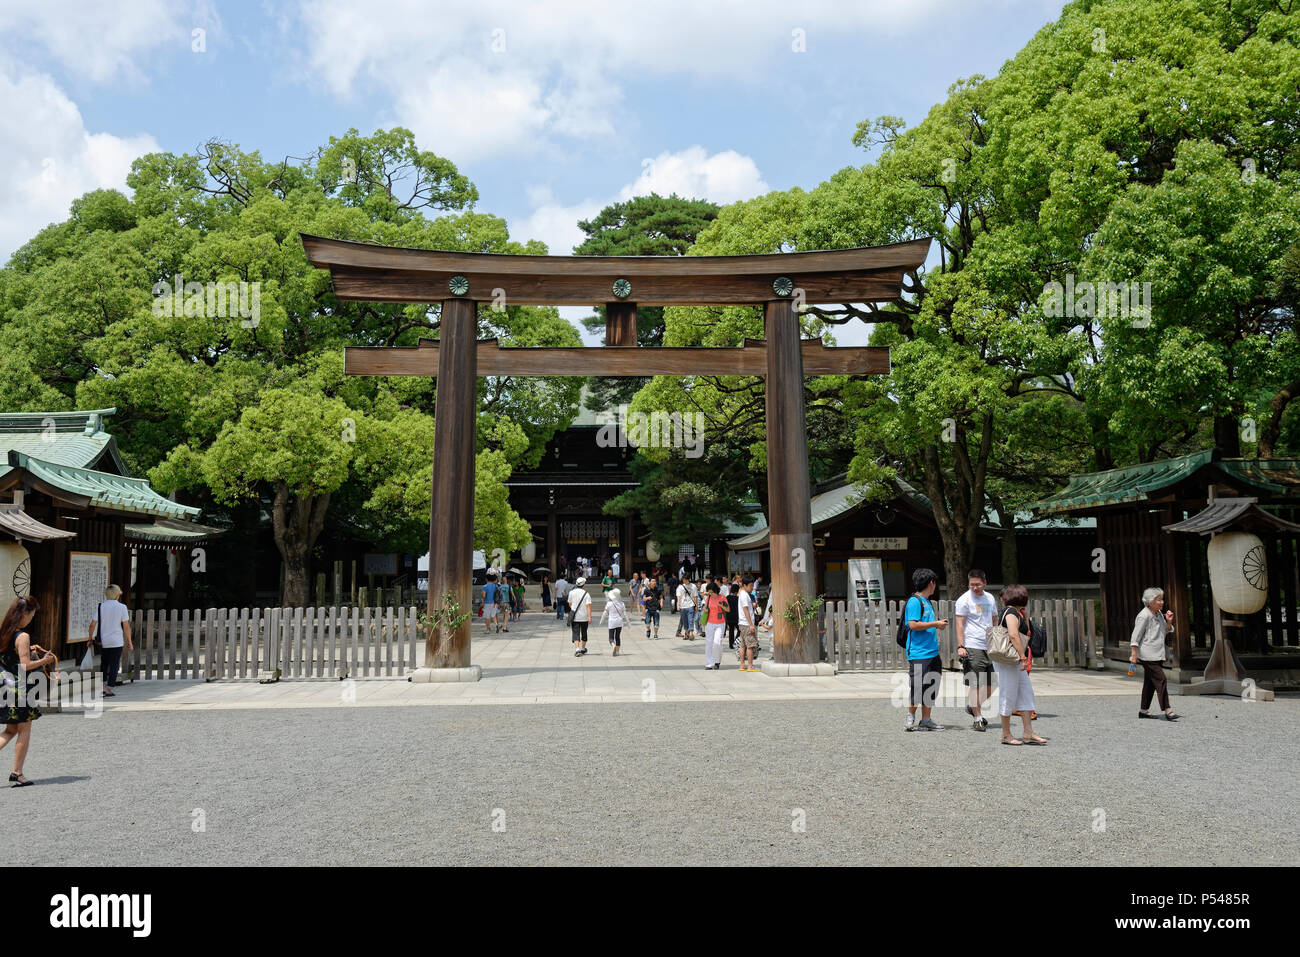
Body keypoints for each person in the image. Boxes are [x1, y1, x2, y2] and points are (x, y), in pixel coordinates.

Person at [1, 595, 53, 785]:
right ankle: (17, 773)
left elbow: (9, 655)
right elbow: (25, 665)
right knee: (24, 728)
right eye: (31, 615)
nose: (31, 618)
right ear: (25, 614)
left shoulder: (5, 632)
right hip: (20, 690)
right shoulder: (22, 636)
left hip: (4, 686)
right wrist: (45, 661)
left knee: (10, 730)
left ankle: (17, 771)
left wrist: (27, 648)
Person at [993, 584, 1046, 745]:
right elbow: (1014, 635)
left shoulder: (1017, 612)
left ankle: (1028, 732)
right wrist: (1023, 657)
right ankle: (1005, 734)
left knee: (1026, 693)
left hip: (1014, 660)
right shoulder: (1010, 612)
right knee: (1008, 694)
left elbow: (1026, 633)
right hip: (1009, 660)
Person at [903, 568, 948, 731]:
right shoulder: (915, 601)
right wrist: (936, 624)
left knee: (931, 686)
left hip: (932, 652)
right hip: (919, 652)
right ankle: (911, 716)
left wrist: (936, 624)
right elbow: (913, 624)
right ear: (931, 583)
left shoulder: (926, 601)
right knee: (917, 686)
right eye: (935, 583)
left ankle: (926, 719)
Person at [955, 569, 998, 732]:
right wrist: (961, 646)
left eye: (978, 584)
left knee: (992, 685)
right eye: (971, 584)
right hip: (972, 645)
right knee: (975, 684)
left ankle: (973, 706)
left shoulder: (990, 598)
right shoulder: (964, 600)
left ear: (985, 583)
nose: (974, 588)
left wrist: (996, 637)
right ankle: (977, 717)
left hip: (989, 645)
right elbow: (959, 624)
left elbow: (994, 618)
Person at [1131, 586, 1178, 721]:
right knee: (1161, 679)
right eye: (1158, 600)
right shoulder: (1144, 615)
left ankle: (1143, 711)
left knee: (1150, 683)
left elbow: (1167, 630)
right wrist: (1134, 655)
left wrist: (1169, 621)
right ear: (1150, 601)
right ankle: (1168, 710)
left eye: (1162, 599)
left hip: (1158, 653)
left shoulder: (1158, 615)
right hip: (1147, 654)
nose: (1162, 602)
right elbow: (1135, 637)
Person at [88, 584, 132, 694]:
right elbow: (126, 626)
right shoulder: (122, 607)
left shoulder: (100, 607)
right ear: (117, 595)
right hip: (117, 640)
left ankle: (103, 685)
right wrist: (130, 642)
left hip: (104, 641)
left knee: (104, 663)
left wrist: (90, 638)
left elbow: (92, 624)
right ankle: (110, 687)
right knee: (114, 664)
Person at [702, 582, 730, 671]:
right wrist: (705, 609)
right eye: (709, 592)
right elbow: (705, 608)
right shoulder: (709, 598)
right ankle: (709, 663)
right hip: (710, 623)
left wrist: (722, 605)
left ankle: (717, 661)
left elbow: (728, 609)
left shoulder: (722, 597)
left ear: (715, 591)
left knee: (717, 642)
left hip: (720, 623)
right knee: (709, 643)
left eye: (711, 592)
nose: (710, 594)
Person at [736, 576, 759, 671]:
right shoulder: (744, 595)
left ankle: (742, 664)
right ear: (744, 585)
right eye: (750, 586)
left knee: (743, 644)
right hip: (746, 623)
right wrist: (751, 624)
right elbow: (746, 610)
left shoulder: (742, 594)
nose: (751, 588)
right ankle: (750, 665)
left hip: (742, 623)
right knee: (750, 645)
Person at [599, 587, 628, 657]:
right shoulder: (622, 603)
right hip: (619, 622)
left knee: (611, 637)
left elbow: (605, 613)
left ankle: (613, 645)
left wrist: (601, 621)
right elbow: (625, 614)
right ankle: (617, 651)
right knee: (617, 637)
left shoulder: (609, 604)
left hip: (612, 621)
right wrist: (628, 622)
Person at [569, 576, 591, 656]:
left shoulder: (571, 592)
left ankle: (577, 649)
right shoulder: (586, 594)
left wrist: (574, 609)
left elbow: (570, 603)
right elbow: (588, 606)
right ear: (583, 584)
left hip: (575, 617)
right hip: (584, 617)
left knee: (575, 633)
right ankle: (583, 648)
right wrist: (589, 617)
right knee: (584, 633)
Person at [643, 575, 663, 639]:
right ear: (650, 582)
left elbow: (661, 597)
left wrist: (661, 603)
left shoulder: (658, 590)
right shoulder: (646, 590)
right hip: (648, 609)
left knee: (656, 623)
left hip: (656, 608)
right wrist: (647, 598)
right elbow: (643, 598)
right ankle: (648, 630)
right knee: (647, 622)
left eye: (655, 581)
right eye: (653, 581)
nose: (654, 582)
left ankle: (655, 634)